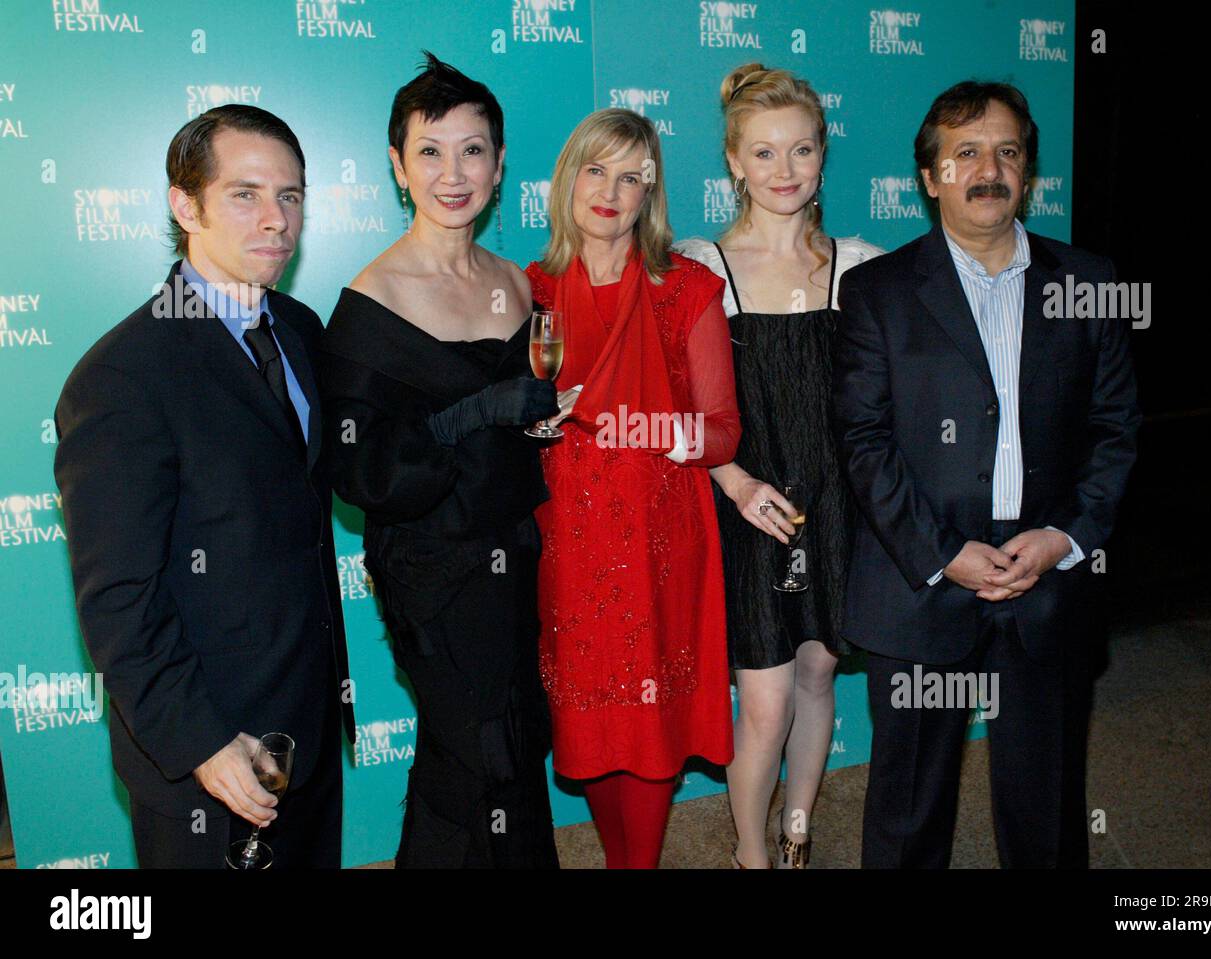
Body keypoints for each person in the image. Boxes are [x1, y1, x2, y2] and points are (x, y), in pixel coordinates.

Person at [832, 81, 1141, 868]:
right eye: (965, 152)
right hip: (922, 581)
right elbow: (863, 441)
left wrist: (1064, 538)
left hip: (1047, 581)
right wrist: (945, 554)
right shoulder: (877, 291)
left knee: (1047, 811)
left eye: (1006, 151)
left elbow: (1115, 433)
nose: (988, 169)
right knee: (907, 814)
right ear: (930, 176)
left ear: (1028, 171)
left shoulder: (1089, 280)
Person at [53, 105, 355, 869]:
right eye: (245, 194)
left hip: (305, 732)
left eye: (291, 196)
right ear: (184, 205)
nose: (277, 220)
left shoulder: (299, 327)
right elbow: (119, 597)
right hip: (210, 759)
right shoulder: (124, 375)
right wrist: (204, 743)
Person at [319, 53, 560, 869]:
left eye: (473, 150)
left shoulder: (515, 284)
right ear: (397, 165)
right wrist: (474, 411)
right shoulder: (368, 302)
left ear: (498, 164)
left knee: (516, 736)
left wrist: (528, 425)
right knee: (477, 749)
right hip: (433, 566)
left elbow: (511, 425)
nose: (452, 173)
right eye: (430, 151)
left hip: (515, 548)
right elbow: (360, 471)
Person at [676, 64, 884, 869]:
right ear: (732, 161)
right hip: (746, 507)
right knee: (762, 702)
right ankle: (751, 852)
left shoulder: (861, 266)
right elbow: (681, 413)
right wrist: (733, 483)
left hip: (835, 506)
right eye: (763, 154)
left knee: (819, 674)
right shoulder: (700, 270)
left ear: (823, 154)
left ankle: (799, 829)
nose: (785, 171)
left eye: (801, 150)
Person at [526, 108, 741, 868]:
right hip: (569, 538)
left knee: (649, 722)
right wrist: (535, 423)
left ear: (650, 195)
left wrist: (644, 429)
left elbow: (722, 432)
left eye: (632, 177)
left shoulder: (686, 289)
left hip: (658, 535)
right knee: (594, 721)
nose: (610, 191)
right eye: (596, 169)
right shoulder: (532, 290)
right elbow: (510, 415)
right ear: (568, 179)